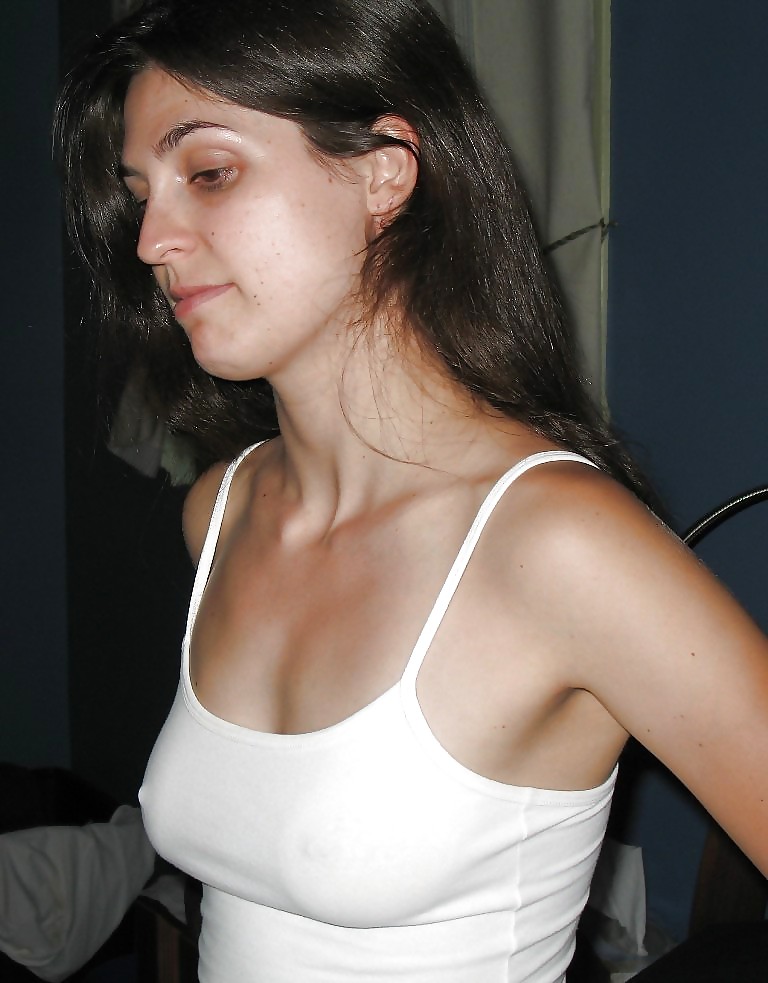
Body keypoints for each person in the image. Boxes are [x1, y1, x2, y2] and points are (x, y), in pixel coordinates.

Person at [54, 1, 768, 980]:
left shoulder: (558, 544)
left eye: (209, 173)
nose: (150, 240)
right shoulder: (222, 512)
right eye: (141, 193)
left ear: (384, 173)